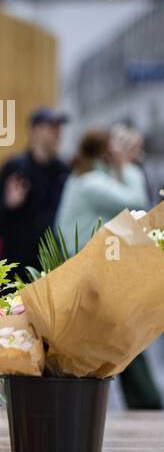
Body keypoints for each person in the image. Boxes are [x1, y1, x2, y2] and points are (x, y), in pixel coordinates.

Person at [55, 128, 161, 409]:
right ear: (105, 152)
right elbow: (137, 200)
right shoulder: (91, 182)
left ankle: (143, 400)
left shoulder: (87, 178)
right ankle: (147, 401)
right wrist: (126, 165)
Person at [0, 107, 70, 275]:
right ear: (35, 131)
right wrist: (9, 204)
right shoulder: (14, 168)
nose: (57, 132)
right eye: (51, 127)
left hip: (52, 266)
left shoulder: (64, 171)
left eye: (59, 127)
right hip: (17, 268)